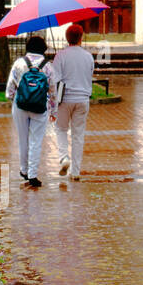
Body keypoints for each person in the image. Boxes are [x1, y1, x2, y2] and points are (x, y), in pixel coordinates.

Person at [5, 34, 56, 188]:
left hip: (20, 106)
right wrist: (53, 111)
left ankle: (24, 170)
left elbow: (9, 90)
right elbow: (53, 91)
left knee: (22, 139)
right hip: (39, 107)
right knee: (36, 141)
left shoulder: (19, 63)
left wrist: (16, 98)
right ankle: (33, 174)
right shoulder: (48, 66)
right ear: (43, 49)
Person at [49, 23, 95, 179]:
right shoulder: (88, 56)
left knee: (61, 129)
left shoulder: (61, 55)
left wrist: (53, 102)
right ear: (81, 38)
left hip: (65, 99)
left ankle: (64, 157)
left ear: (67, 38)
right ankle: (76, 171)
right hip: (82, 99)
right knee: (78, 135)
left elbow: (56, 80)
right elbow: (89, 76)